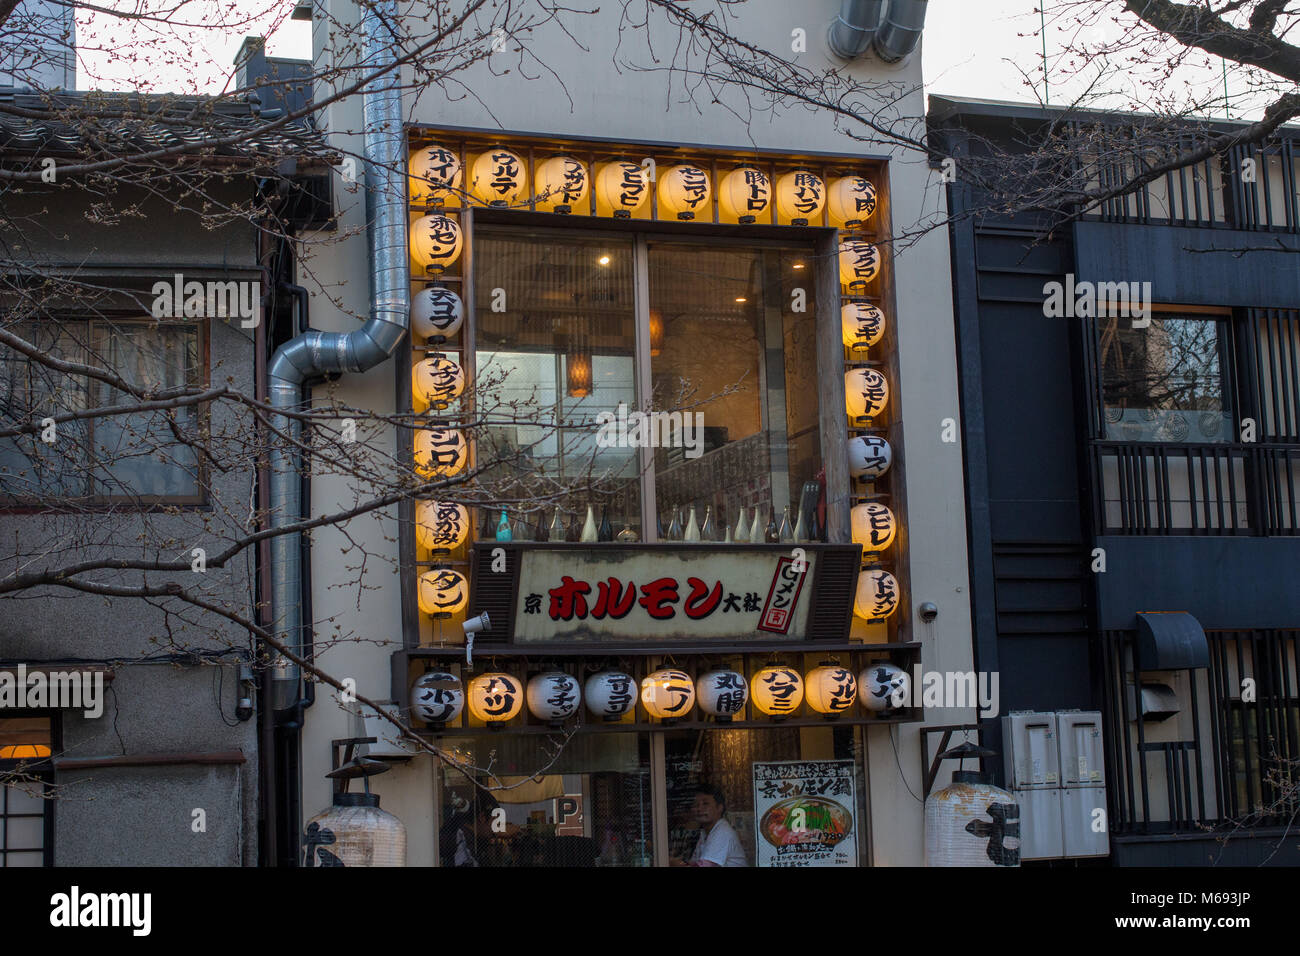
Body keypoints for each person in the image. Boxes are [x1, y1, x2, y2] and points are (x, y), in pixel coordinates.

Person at [671, 785, 748, 867]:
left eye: (705, 804)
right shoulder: (705, 832)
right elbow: (695, 863)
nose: (699, 809)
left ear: (719, 808)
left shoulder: (722, 831)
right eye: (696, 805)